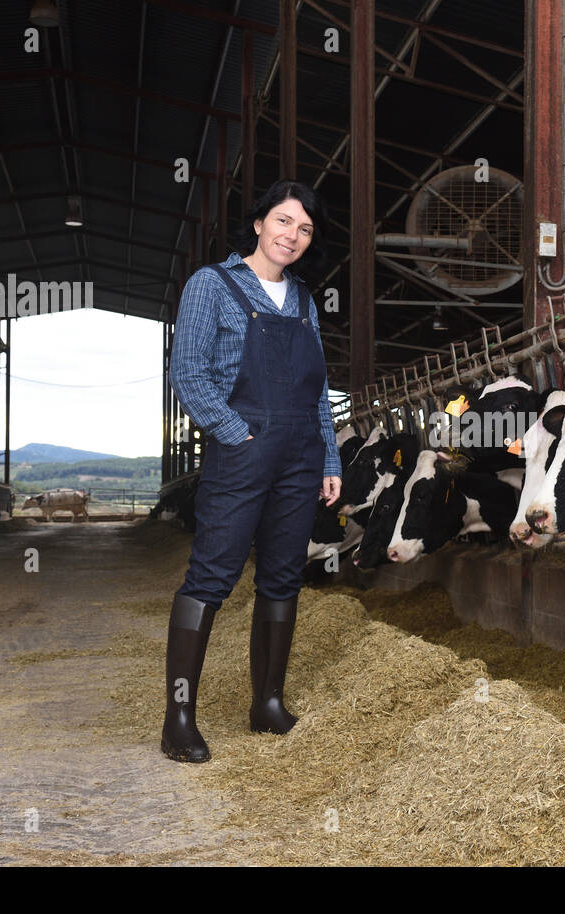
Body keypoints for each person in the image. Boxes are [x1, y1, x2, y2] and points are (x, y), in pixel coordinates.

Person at [163, 180, 342, 762]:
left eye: (305, 229)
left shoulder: (305, 300)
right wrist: (234, 432)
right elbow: (189, 373)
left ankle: (267, 703)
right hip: (242, 451)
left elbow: (318, 390)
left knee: (283, 577)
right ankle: (179, 718)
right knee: (211, 577)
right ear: (261, 223)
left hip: (299, 457)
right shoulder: (211, 285)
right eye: (284, 221)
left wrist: (329, 457)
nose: (293, 235)